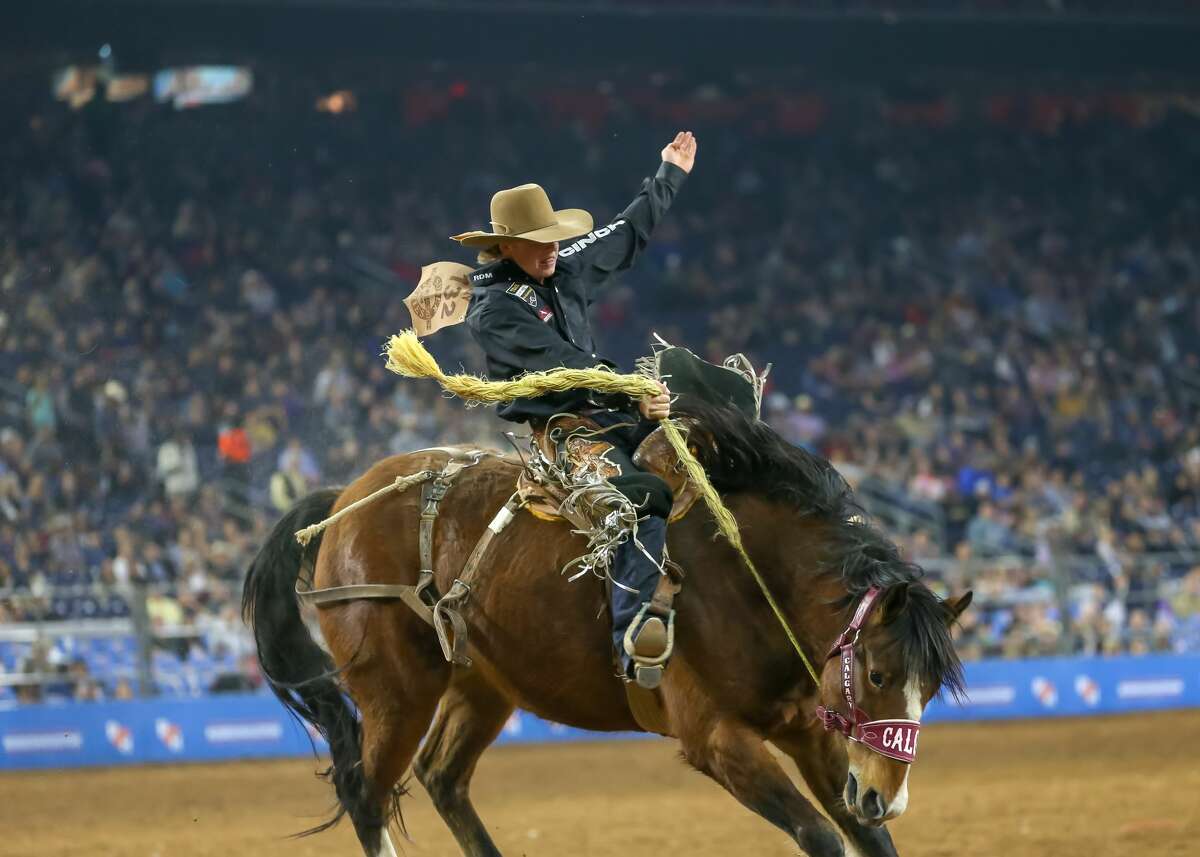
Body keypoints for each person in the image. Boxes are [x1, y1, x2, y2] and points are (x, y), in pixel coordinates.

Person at [457, 131, 697, 687]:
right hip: (564, 428)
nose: (553, 249)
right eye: (539, 242)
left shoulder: (559, 267)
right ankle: (632, 636)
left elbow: (627, 230)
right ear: (505, 247)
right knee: (641, 499)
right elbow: (562, 363)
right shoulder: (492, 310)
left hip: (612, 410)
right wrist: (630, 389)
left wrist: (669, 174)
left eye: (554, 239)